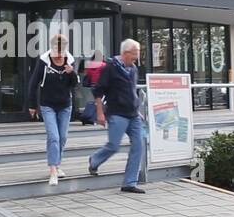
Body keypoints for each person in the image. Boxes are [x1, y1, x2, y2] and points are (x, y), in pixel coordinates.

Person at [88, 39, 145, 193]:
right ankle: (94, 160)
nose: (136, 58)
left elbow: (132, 91)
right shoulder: (111, 68)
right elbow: (98, 91)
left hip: (133, 114)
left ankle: (129, 183)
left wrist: (137, 109)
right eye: (134, 55)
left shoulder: (133, 69)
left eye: (137, 55)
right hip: (117, 113)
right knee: (114, 145)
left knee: (139, 144)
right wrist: (100, 113)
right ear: (125, 53)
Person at [27, 33, 77, 186]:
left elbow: (74, 84)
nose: (59, 53)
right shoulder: (43, 61)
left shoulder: (70, 60)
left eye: (62, 49)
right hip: (47, 104)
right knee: (53, 137)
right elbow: (33, 83)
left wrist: (72, 73)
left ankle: (57, 164)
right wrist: (31, 105)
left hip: (65, 105)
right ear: (52, 47)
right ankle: (53, 170)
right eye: (57, 49)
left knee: (62, 137)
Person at [78, 50, 105, 125]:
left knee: (95, 102)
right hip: (100, 86)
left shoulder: (90, 65)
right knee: (99, 103)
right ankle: (92, 117)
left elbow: (88, 74)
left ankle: (89, 116)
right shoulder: (103, 65)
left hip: (92, 85)